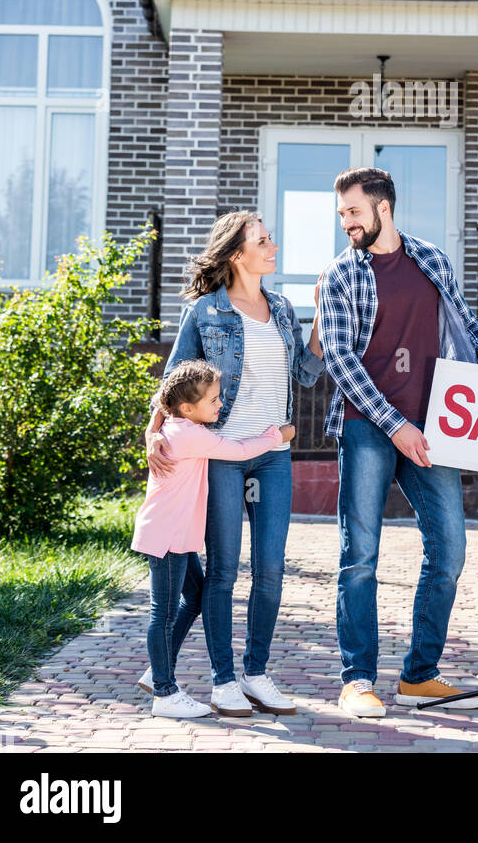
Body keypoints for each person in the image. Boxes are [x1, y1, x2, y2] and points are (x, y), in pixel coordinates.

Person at [317, 167, 478, 718]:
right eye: (342, 214)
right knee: (360, 555)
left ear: (384, 208)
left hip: (435, 422)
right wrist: (394, 423)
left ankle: (419, 674)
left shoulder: (430, 259)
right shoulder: (341, 273)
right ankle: (357, 679)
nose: (346, 224)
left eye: (353, 212)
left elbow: (465, 322)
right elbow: (339, 359)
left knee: (449, 551)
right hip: (369, 425)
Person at [145, 210, 324, 717]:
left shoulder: (284, 308)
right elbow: (175, 379)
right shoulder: (206, 311)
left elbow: (307, 375)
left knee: (270, 570)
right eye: (263, 241)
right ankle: (223, 680)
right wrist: (154, 429)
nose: (273, 247)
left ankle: (256, 674)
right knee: (223, 571)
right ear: (236, 254)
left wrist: (319, 320)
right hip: (222, 453)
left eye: (270, 239)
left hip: (272, 456)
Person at [132, 358, 289, 719]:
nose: (221, 404)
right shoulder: (187, 433)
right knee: (165, 613)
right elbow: (238, 451)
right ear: (188, 408)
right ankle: (165, 693)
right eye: (214, 399)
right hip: (168, 536)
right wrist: (276, 436)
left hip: (177, 536)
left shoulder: (179, 425)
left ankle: (158, 671)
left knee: (198, 597)